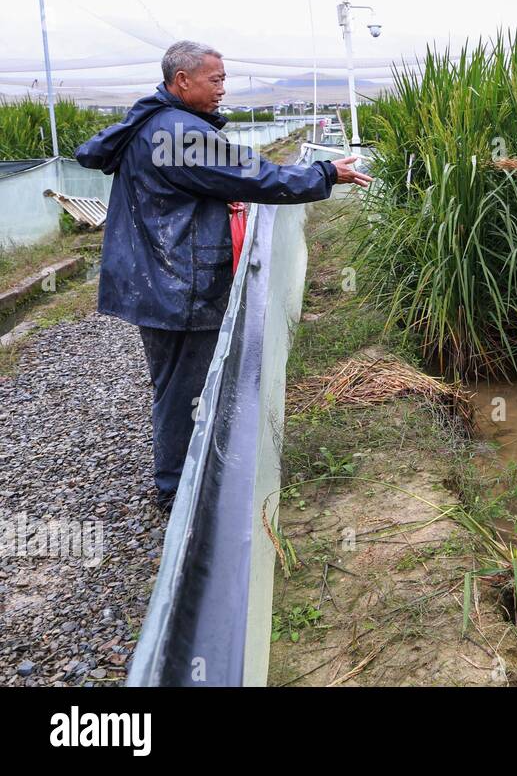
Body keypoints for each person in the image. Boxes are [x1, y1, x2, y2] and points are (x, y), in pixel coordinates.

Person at [75, 40, 372, 513]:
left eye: (224, 79)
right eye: (215, 79)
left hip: (155, 279)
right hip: (176, 282)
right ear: (182, 81)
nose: (222, 88)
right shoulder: (178, 133)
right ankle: (179, 490)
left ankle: (185, 474)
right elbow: (254, 176)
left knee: (176, 382)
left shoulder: (158, 123)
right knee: (184, 388)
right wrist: (323, 174)